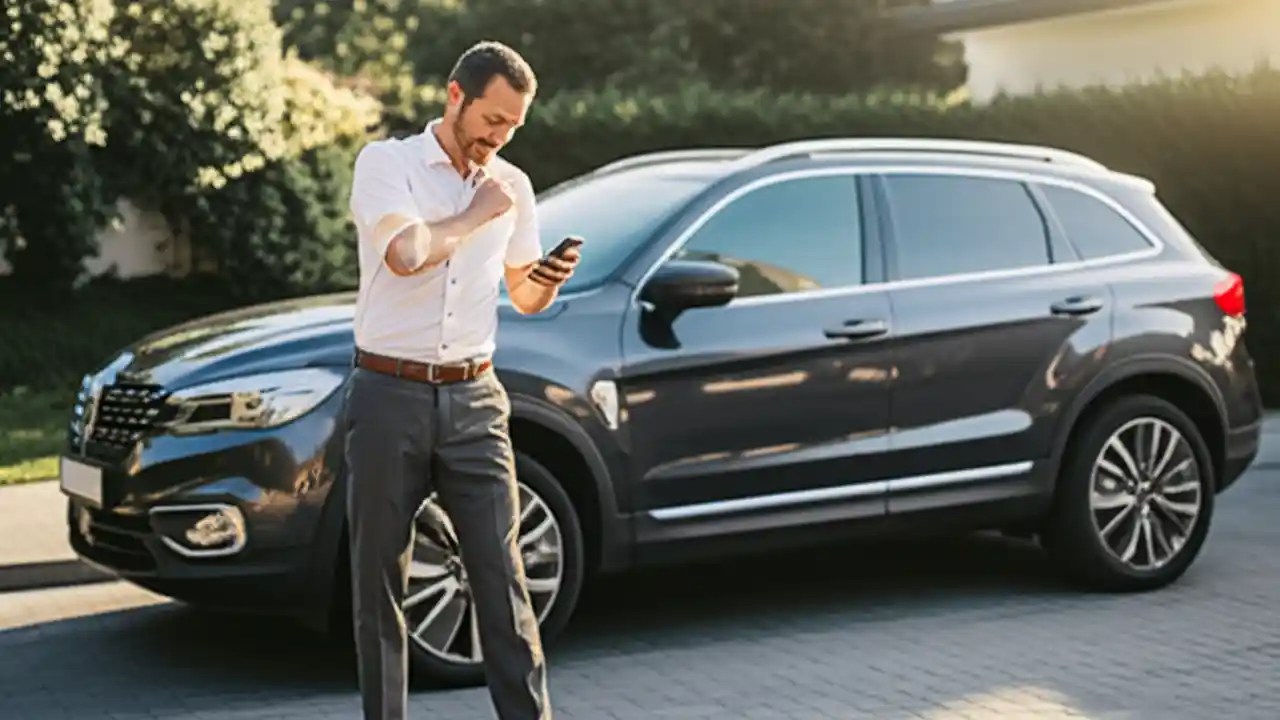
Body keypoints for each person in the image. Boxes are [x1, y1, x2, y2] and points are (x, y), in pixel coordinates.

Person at [342, 40, 575, 720]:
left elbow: (523, 295)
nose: (500, 137)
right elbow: (406, 252)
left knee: (503, 579)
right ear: (455, 96)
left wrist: (548, 281)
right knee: (379, 582)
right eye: (492, 119)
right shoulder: (387, 165)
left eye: (513, 126)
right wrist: (477, 215)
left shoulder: (514, 187)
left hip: (476, 400)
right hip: (388, 395)